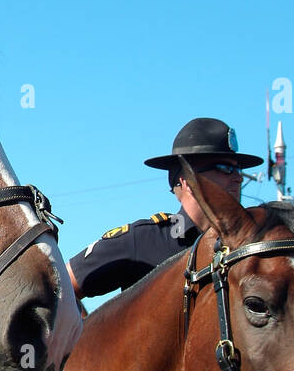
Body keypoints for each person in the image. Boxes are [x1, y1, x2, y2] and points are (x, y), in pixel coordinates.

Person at [66, 117, 263, 299]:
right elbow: (57, 290)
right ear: (187, 180)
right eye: (225, 168)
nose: (238, 178)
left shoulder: (248, 249)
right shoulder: (143, 240)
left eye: (238, 170)